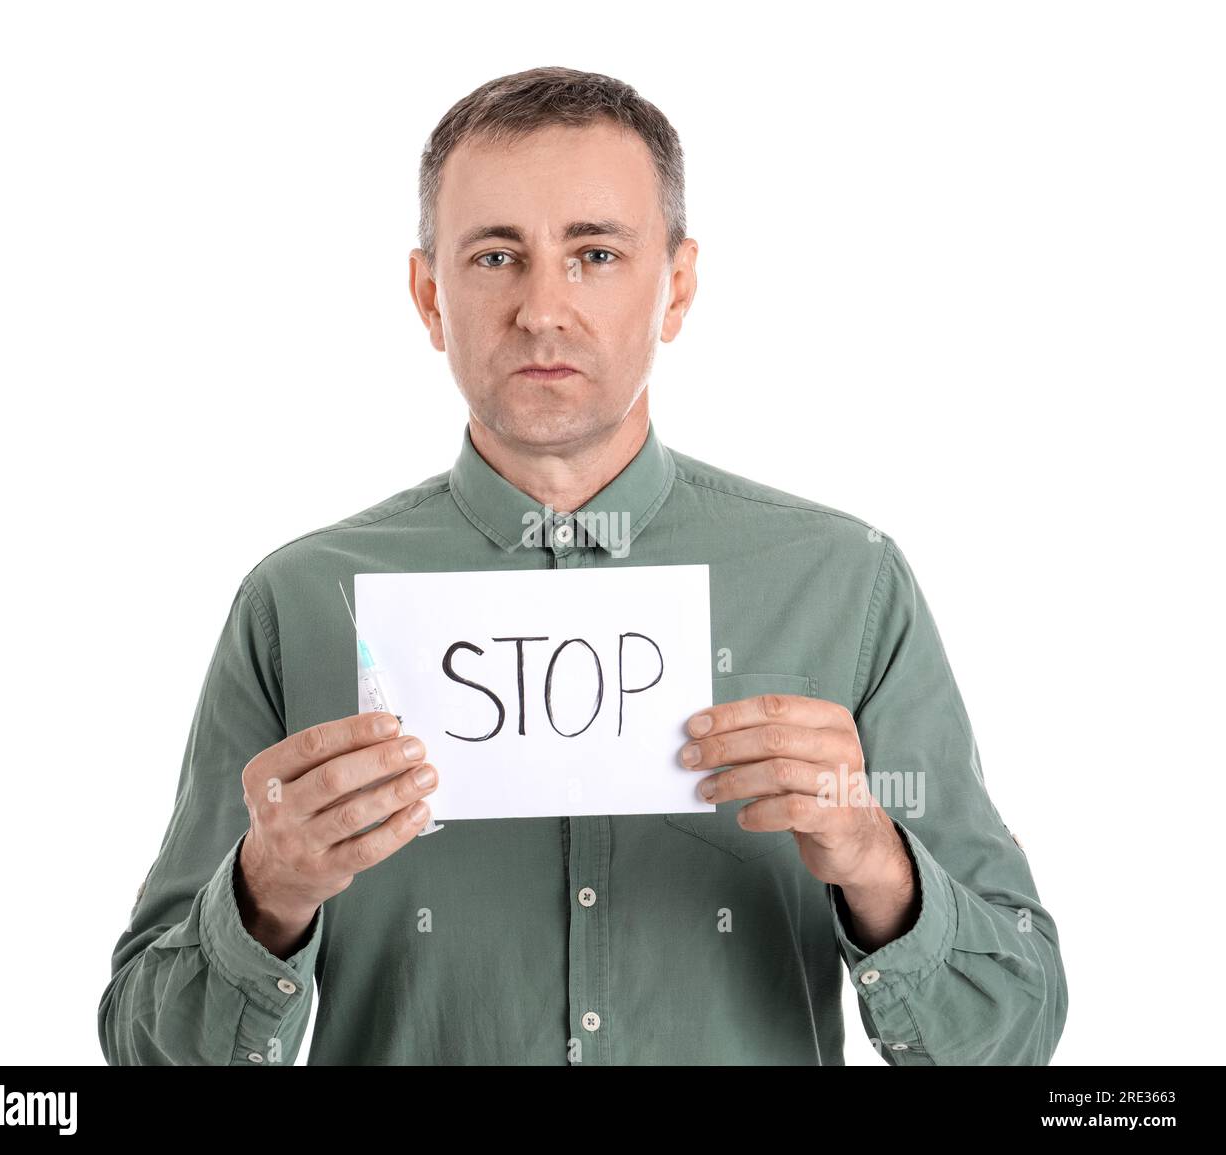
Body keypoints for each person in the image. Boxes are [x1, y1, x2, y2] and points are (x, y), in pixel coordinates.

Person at [98, 65, 1067, 1066]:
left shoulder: (846, 582)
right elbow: (145, 1046)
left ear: (676, 286)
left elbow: (1014, 1029)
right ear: (431, 296)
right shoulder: (296, 604)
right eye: (495, 257)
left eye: (595, 253)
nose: (542, 308)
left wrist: (875, 860)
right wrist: (268, 892)